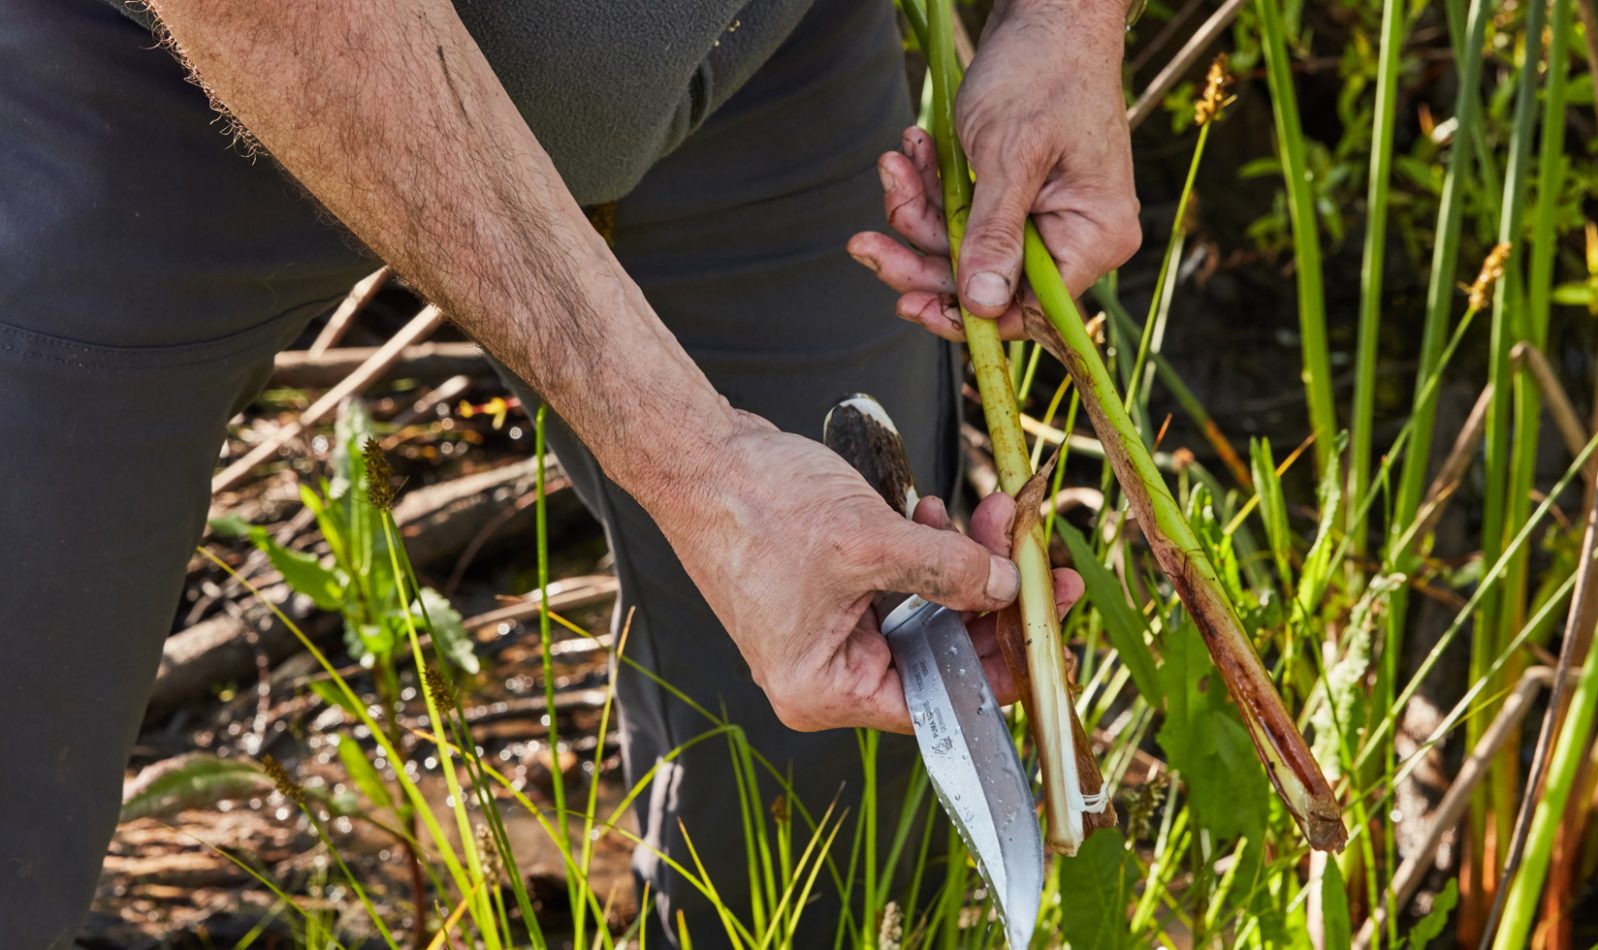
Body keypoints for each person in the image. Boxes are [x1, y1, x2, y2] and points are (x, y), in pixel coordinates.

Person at [0, 0, 1138, 945]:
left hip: (746, 48)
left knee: (828, 807)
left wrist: (1063, 27)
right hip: (149, 78)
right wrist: (705, 468)